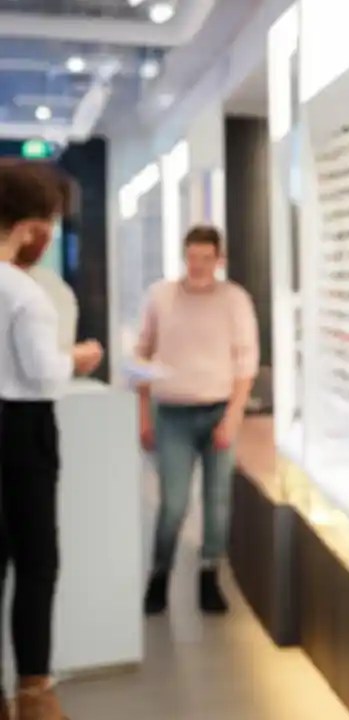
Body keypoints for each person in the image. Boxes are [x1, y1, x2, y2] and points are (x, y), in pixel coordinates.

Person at [0, 159, 103, 720]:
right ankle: (34, 691)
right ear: (28, 228)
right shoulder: (26, 293)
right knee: (37, 561)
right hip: (22, 430)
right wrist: (79, 358)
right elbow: (43, 373)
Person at [136, 225, 259, 616]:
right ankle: (159, 574)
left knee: (217, 501)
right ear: (184, 256)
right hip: (172, 413)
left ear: (219, 260)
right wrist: (143, 414)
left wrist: (233, 416)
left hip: (219, 410)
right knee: (173, 503)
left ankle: (209, 575)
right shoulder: (161, 296)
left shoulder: (235, 300)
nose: (199, 265)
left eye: (207, 258)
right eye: (192, 257)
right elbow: (141, 354)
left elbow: (246, 362)